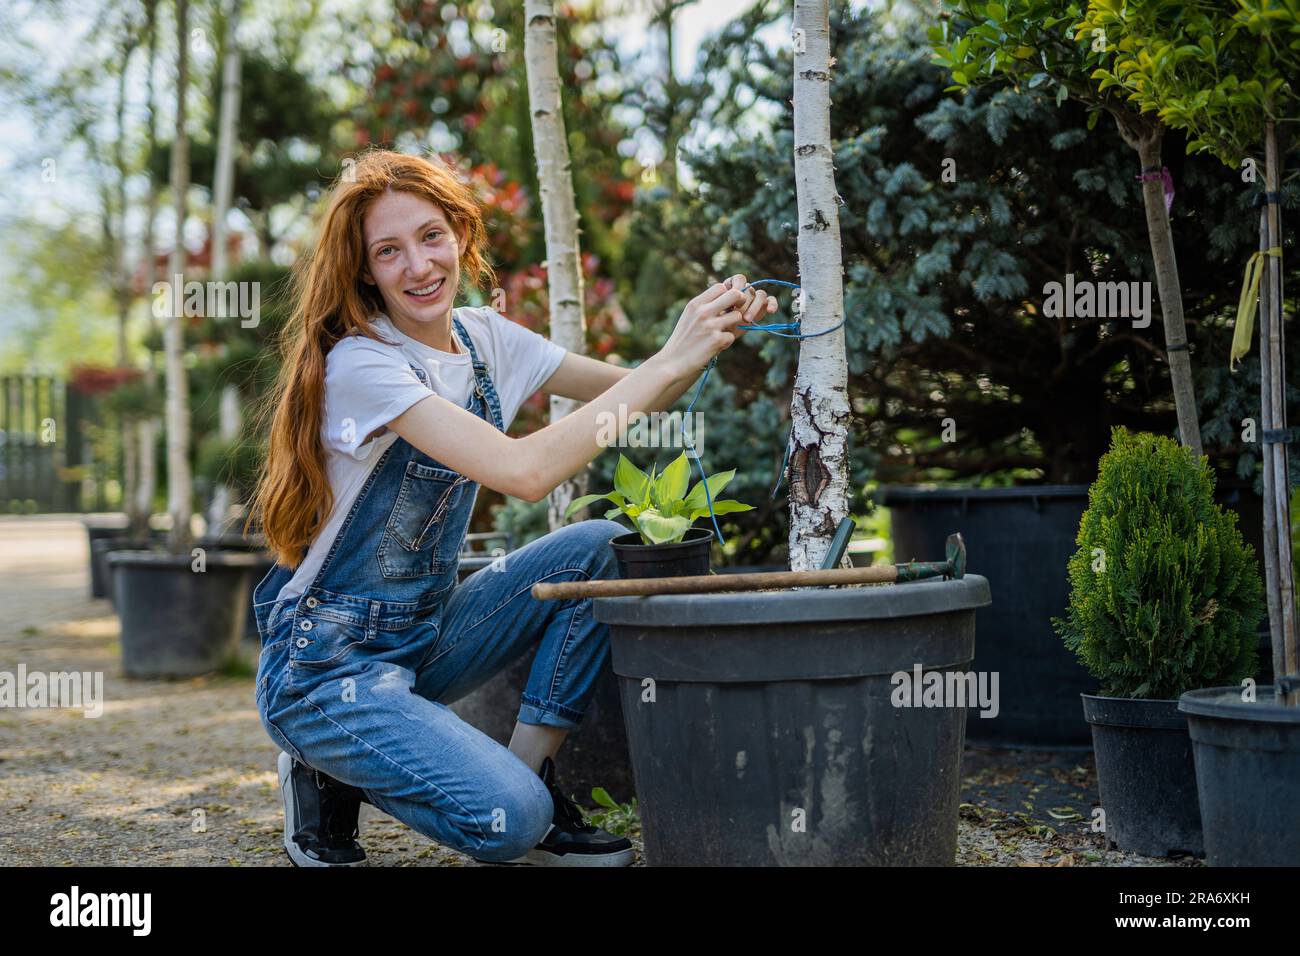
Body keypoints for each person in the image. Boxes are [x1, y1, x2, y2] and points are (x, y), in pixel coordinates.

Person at [249, 148, 777, 867]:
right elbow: (524, 472)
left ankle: (527, 772)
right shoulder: (362, 365)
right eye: (389, 251)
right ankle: (328, 762)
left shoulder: (485, 338)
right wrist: (669, 360)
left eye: (431, 237)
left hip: (421, 640)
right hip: (325, 665)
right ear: (365, 270)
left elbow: (638, 392)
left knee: (600, 545)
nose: (418, 266)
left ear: (461, 234)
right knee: (509, 824)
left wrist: (708, 334)